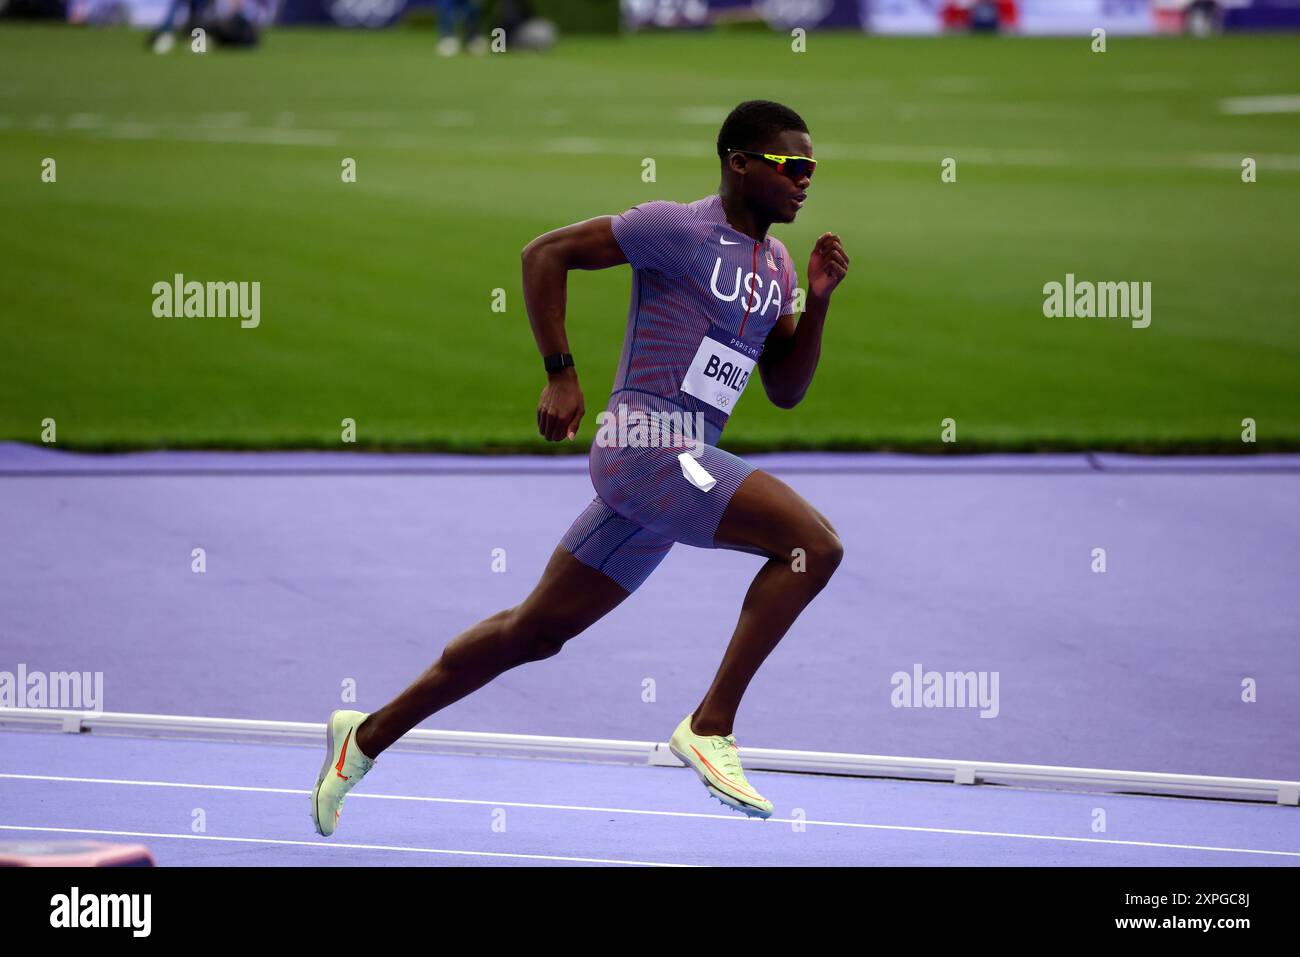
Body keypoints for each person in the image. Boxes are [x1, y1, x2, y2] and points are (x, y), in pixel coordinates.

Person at [311, 100, 850, 835]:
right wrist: (560, 372)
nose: (805, 181)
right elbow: (544, 253)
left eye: (812, 169)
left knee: (533, 631)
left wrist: (815, 304)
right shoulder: (677, 229)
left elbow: (784, 390)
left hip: (673, 470)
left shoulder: (775, 264)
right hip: (647, 445)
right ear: (739, 163)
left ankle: (364, 736)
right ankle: (710, 723)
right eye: (792, 166)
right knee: (813, 547)